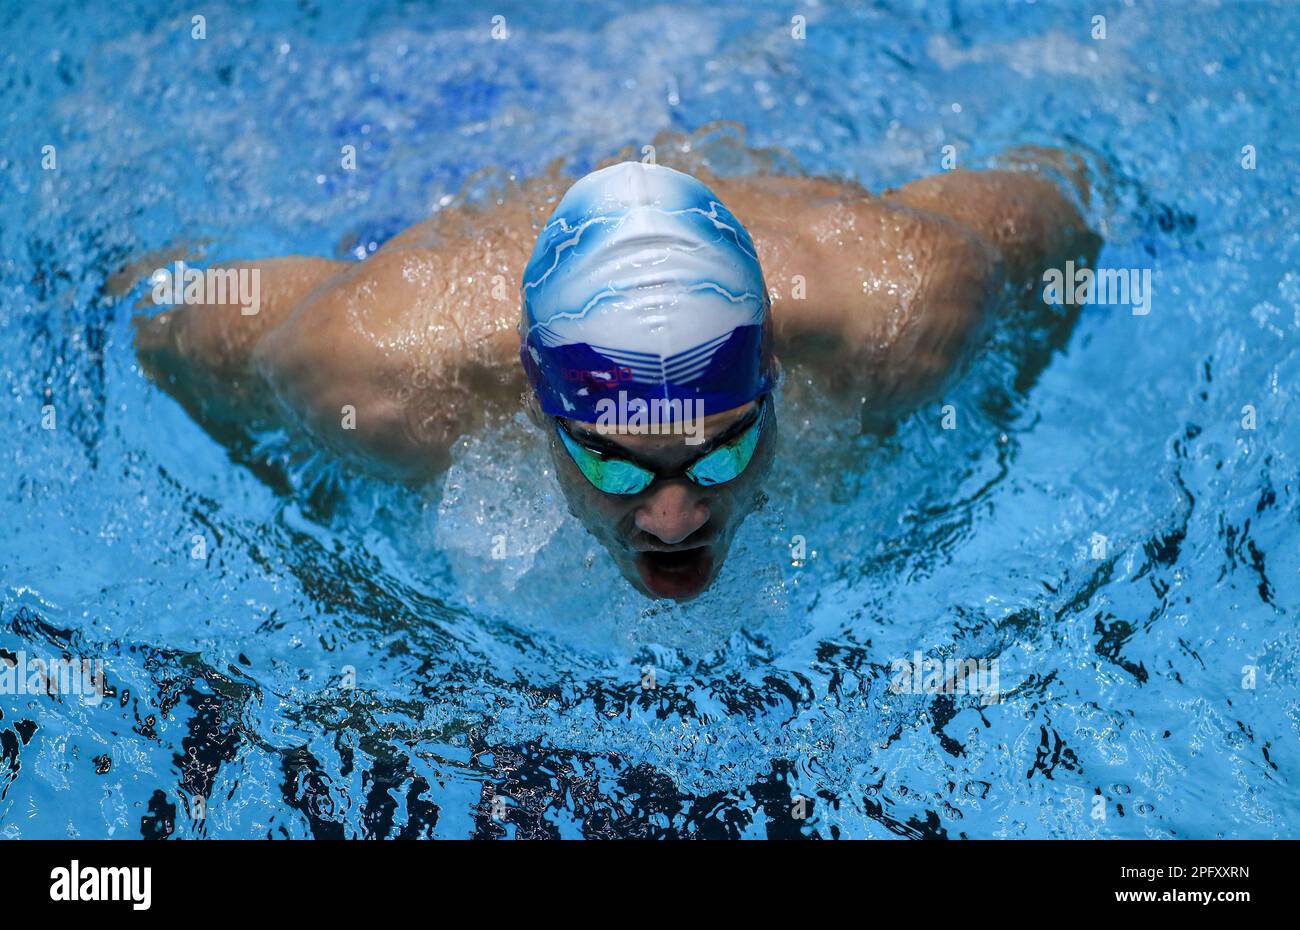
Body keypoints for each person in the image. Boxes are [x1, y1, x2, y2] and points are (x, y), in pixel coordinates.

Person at [134, 145, 1097, 600]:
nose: (675, 520)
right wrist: (353, 566)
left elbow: (1064, 211)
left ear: (775, 377)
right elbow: (157, 317)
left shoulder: (903, 306)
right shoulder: (367, 366)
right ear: (530, 392)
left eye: (722, 453)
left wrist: (953, 464)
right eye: (614, 464)